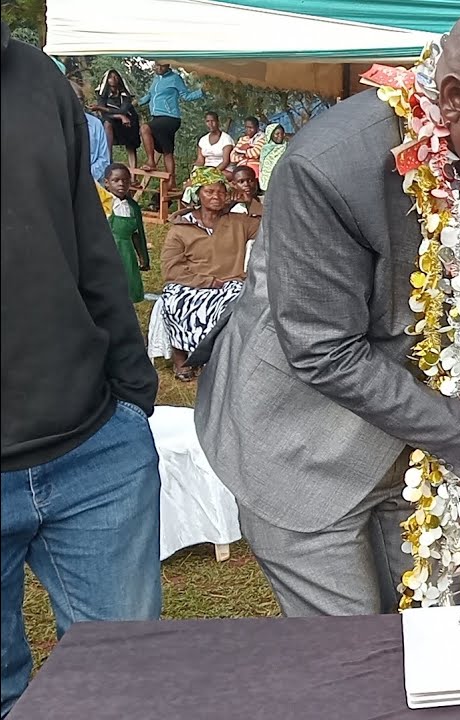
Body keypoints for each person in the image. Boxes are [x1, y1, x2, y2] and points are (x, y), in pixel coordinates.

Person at [194, 6, 460, 617]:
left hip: (413, 444)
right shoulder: (328, 168)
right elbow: (324, 351)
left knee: (431, 629)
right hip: (303, 447)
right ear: (455, 97)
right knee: (356, 658)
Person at [1, 22, 161, 716]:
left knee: (121, 694)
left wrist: (132, 396)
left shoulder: (34, 77)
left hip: (96, 450)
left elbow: (89, 239)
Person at [161, 166, 258, 382]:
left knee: (230, 304)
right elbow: (172, 269)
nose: (216, 196)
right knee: (173, 301)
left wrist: (247, 200)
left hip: (229, 284)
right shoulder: (180, 228)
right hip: (191, 284)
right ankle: (182, 358)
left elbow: (271, 224)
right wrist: (207, 282)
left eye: (221, 192)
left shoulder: (238, 222)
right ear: (198, 194)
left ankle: (212, 361)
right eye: (209, 192)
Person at [139, 61, 203, 178]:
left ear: (168, 65)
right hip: (157, 118)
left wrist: (202, 92)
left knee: (145, 128)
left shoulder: (175, 78)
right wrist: (137, 102)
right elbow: (149, 95)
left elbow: (186, 96)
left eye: (161, 66)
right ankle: (171, 181)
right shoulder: (156, 79)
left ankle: (151, 161)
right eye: (156, 65)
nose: (158, 68)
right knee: (167, 151)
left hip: (170, 118)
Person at [102, 163, 150, 303]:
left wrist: (143, 257)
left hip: (126, 253)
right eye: (115, 180)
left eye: (125, 180)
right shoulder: (102, 204)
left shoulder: (132, 207)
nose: (121, 184)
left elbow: (137, 234)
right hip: (106, 252)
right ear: (106, 183)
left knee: (128, 288)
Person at [257, 122, 287, 191]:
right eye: (277, 134)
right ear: (270, 135)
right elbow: (262, 167)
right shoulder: (265, 150)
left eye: (282, 134)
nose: (280, 136)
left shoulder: (286, 147)